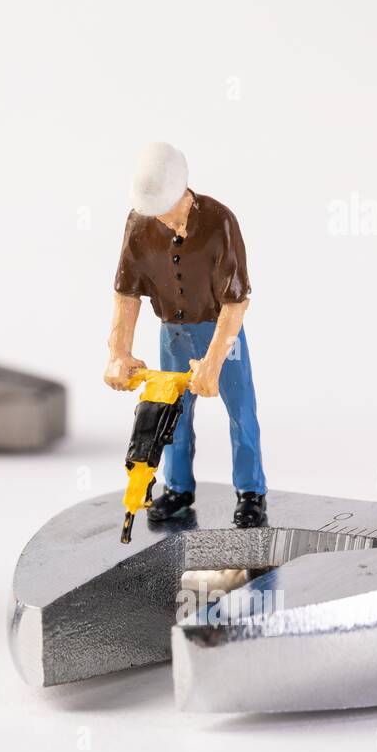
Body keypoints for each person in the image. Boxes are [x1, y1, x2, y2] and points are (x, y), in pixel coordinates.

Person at [102, 143, 267, 528]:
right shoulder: (140, 223)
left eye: (163, 207)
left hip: (222, 333)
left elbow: (236, 303)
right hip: (172, 334)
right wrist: (118, 351)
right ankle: (177, 488)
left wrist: (212, 362)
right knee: (172, 415)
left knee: (242, 414)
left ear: (183, 192)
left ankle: (250, 492)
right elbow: (126, 293)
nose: (157, 218)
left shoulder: (219, 221)